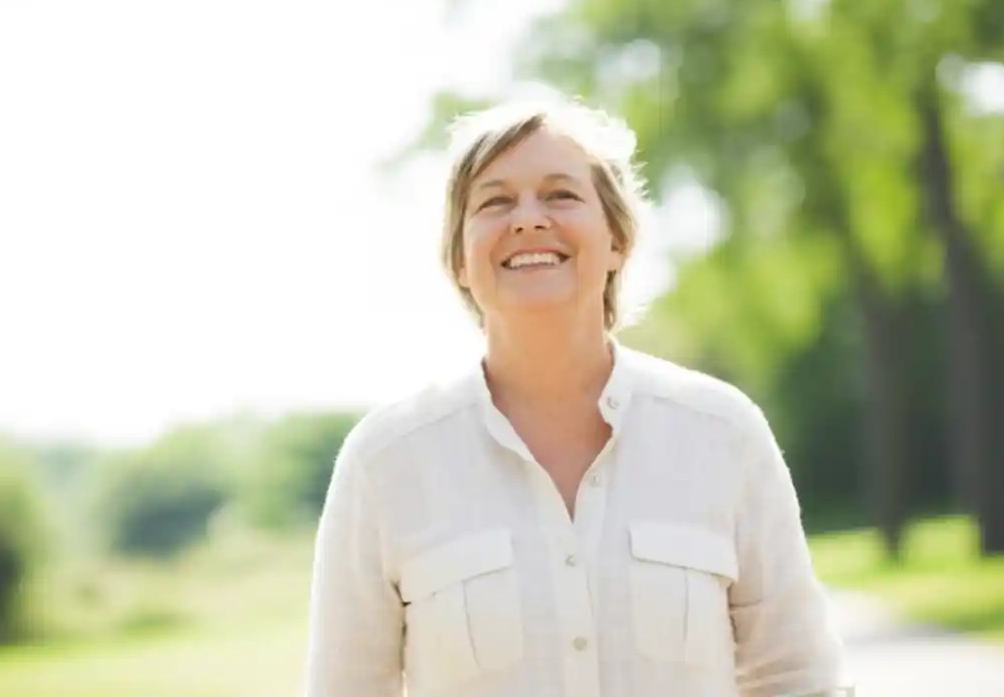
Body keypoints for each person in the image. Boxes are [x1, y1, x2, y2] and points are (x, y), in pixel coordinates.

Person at [303, 96, 853, 697]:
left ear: (616, 238)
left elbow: (799, 678)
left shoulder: (724, 434)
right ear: (459, 257)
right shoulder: (385, 461)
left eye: (561, 194)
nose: (528, 219)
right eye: (495, 201)